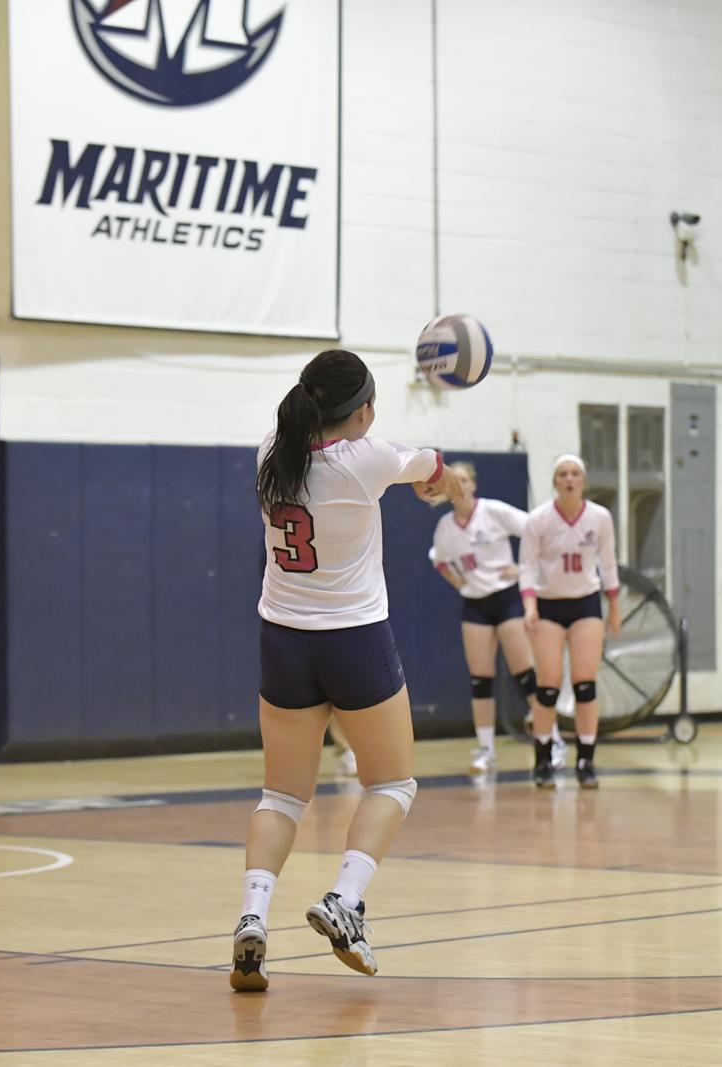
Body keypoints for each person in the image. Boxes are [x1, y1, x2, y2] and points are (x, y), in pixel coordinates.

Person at [231, 348, 462, 993]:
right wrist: (428, 479)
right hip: (354, 639)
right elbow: (434, 467)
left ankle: (252, 918)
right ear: (359, 411)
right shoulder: (370, 459)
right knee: (392, 782)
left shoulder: (270, 452)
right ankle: (345, 903)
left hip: (282, 639)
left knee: (281, 795)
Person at [428, 462, 541, 773]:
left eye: (465, 479)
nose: (460, 485)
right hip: (475, 605)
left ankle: (551, 739)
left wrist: (523, 570)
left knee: (525, 674)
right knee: (480, 681)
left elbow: (535, 530)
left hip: (506, 599)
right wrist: (458, 582)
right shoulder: (446, 527)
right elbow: (438, 560)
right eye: (455, 480)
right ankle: (486, 750)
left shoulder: (493, 512)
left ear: (474, 484)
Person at [519, 454, 622, 789]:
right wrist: (530, 606)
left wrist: (615, 606)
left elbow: (608, 564)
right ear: (555, 481)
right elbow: (526, 567)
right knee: (547, 688)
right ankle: (543, 759)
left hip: (585, 604)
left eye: (575, 473)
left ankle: (586, 760)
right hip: (548, 606)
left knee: (585, 685)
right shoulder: (538, 520)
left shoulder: (600, 517)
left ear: (584, 481)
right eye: (562, 474)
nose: (569, 479)